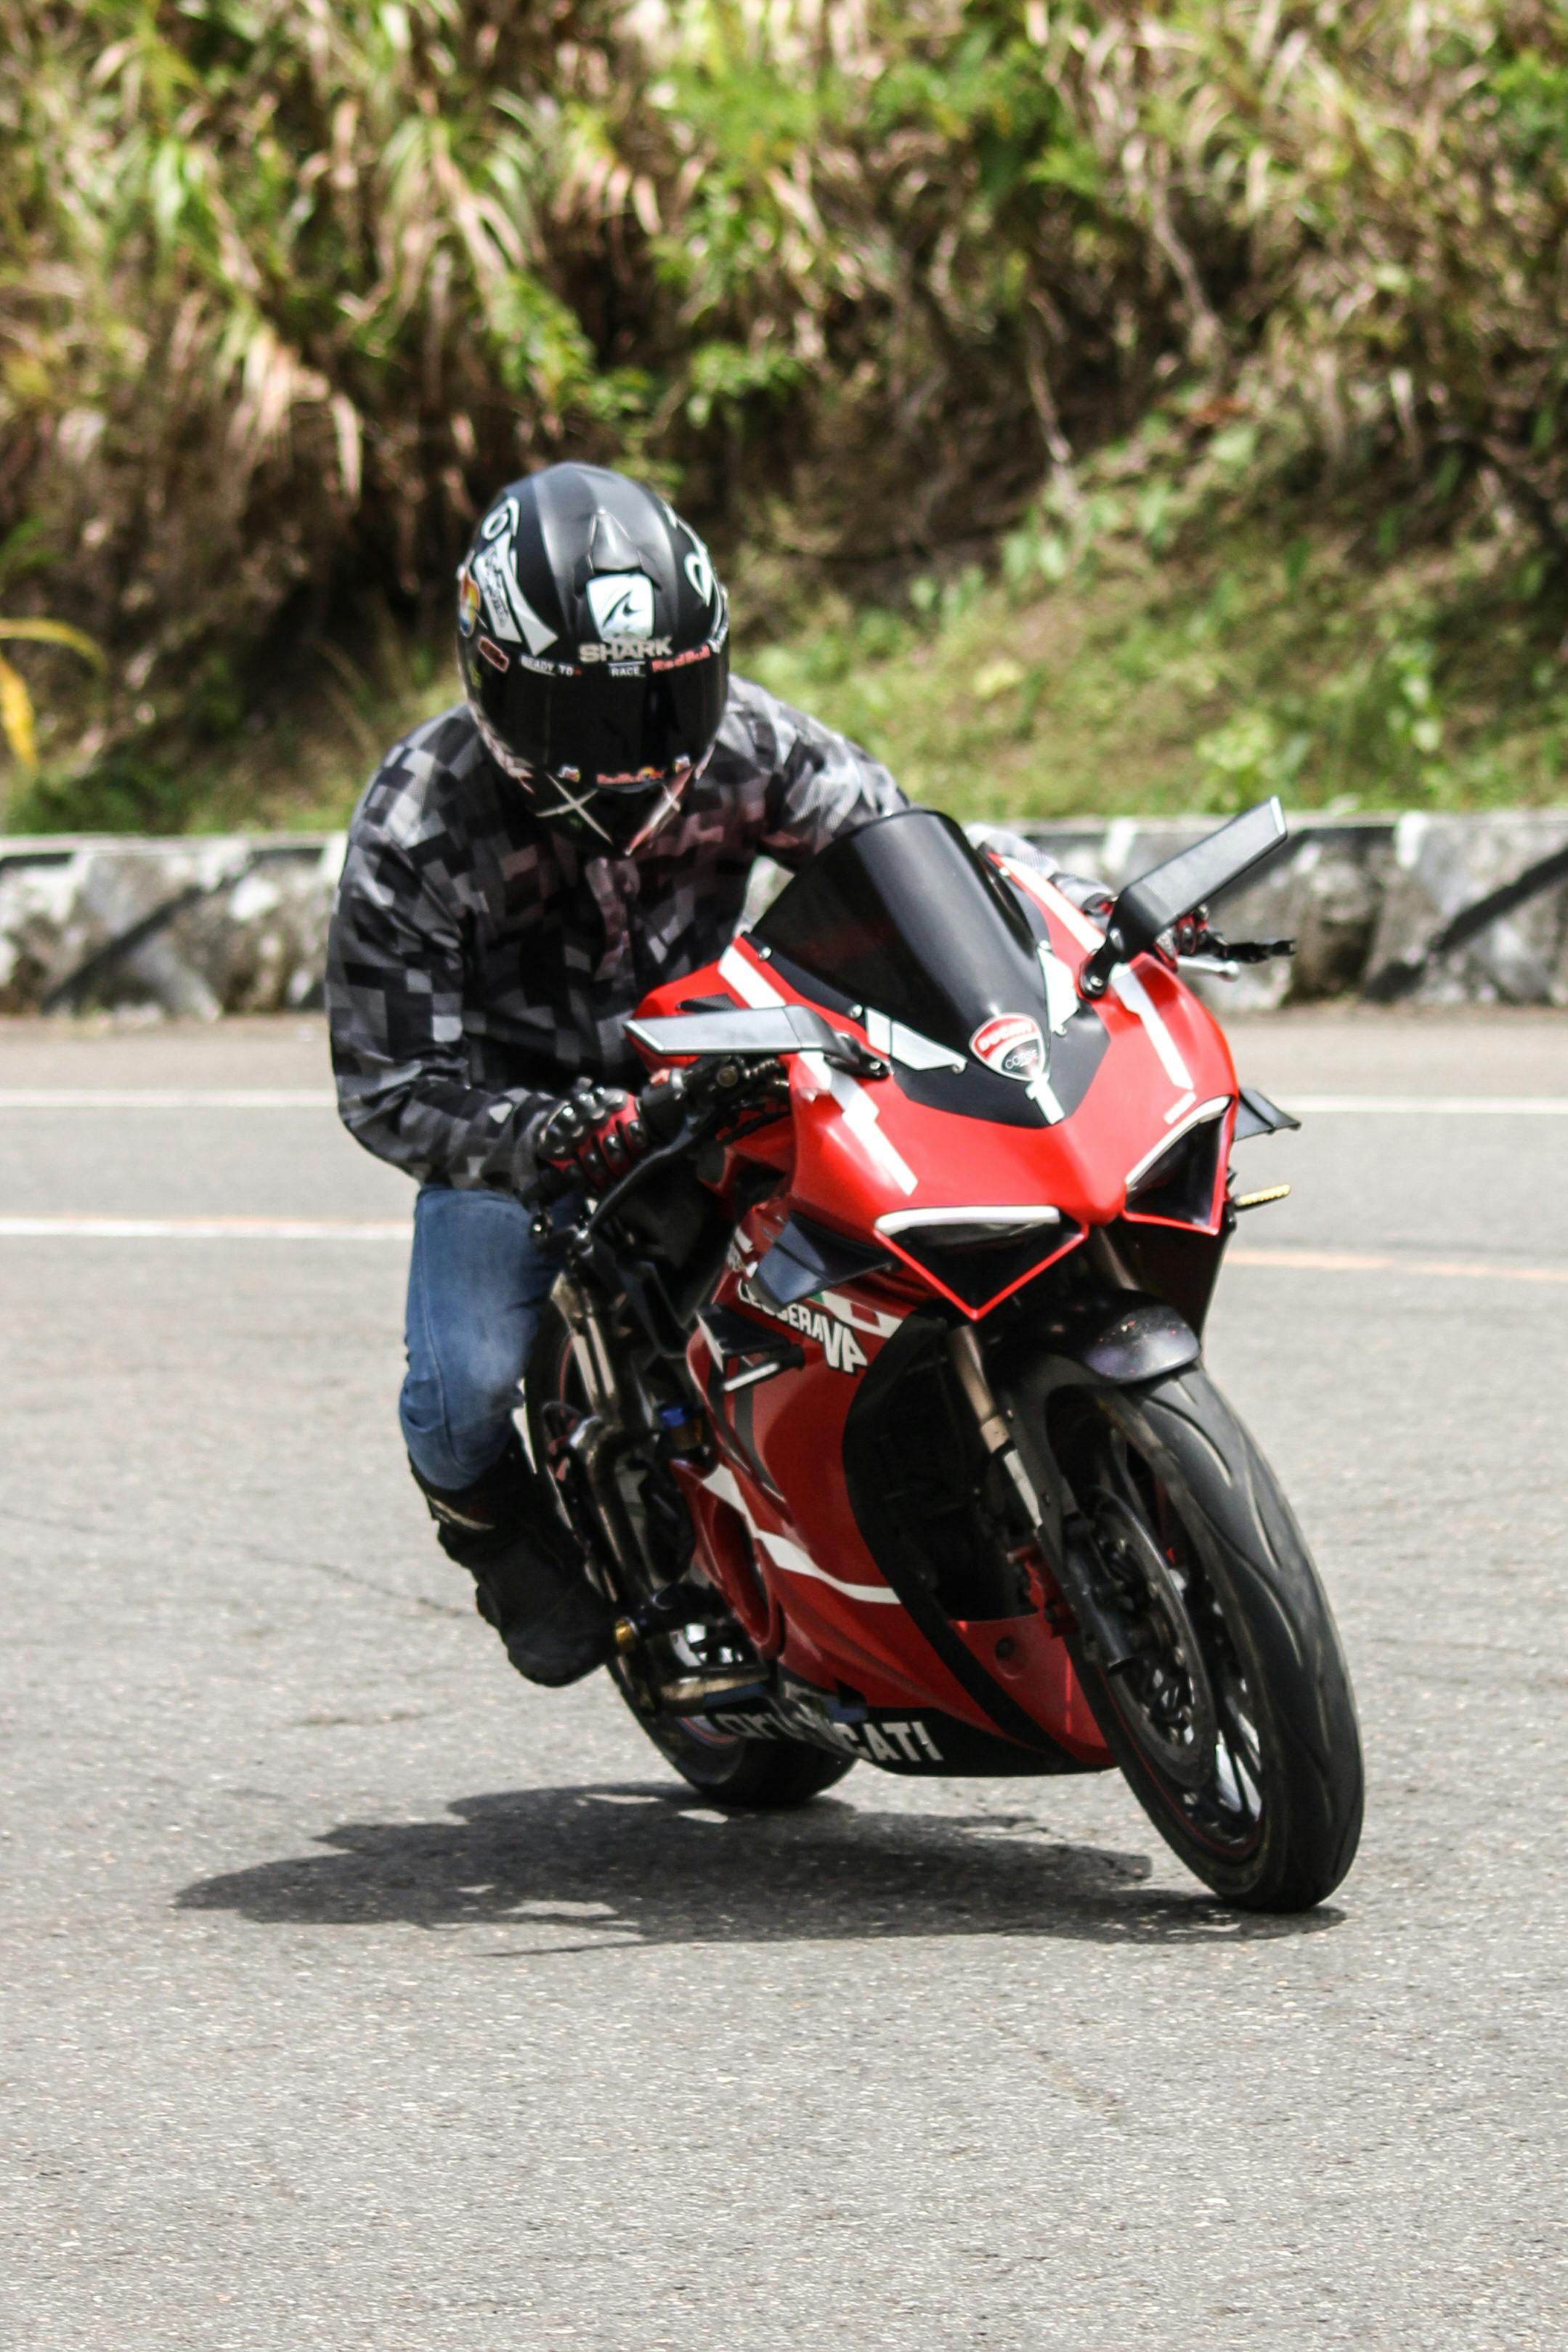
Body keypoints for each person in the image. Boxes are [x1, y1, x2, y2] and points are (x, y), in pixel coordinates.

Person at [325, 462, 904, 1690]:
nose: (635, 755)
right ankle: (484, 1520)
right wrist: (543, 1136)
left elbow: (895, 850)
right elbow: (385, 1087)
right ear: (492, 681)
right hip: (518, 1118)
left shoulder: (752, 740)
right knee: (470, 1382)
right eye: (586, 723)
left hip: (728, 1070)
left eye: (666, 703)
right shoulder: (418, 819)